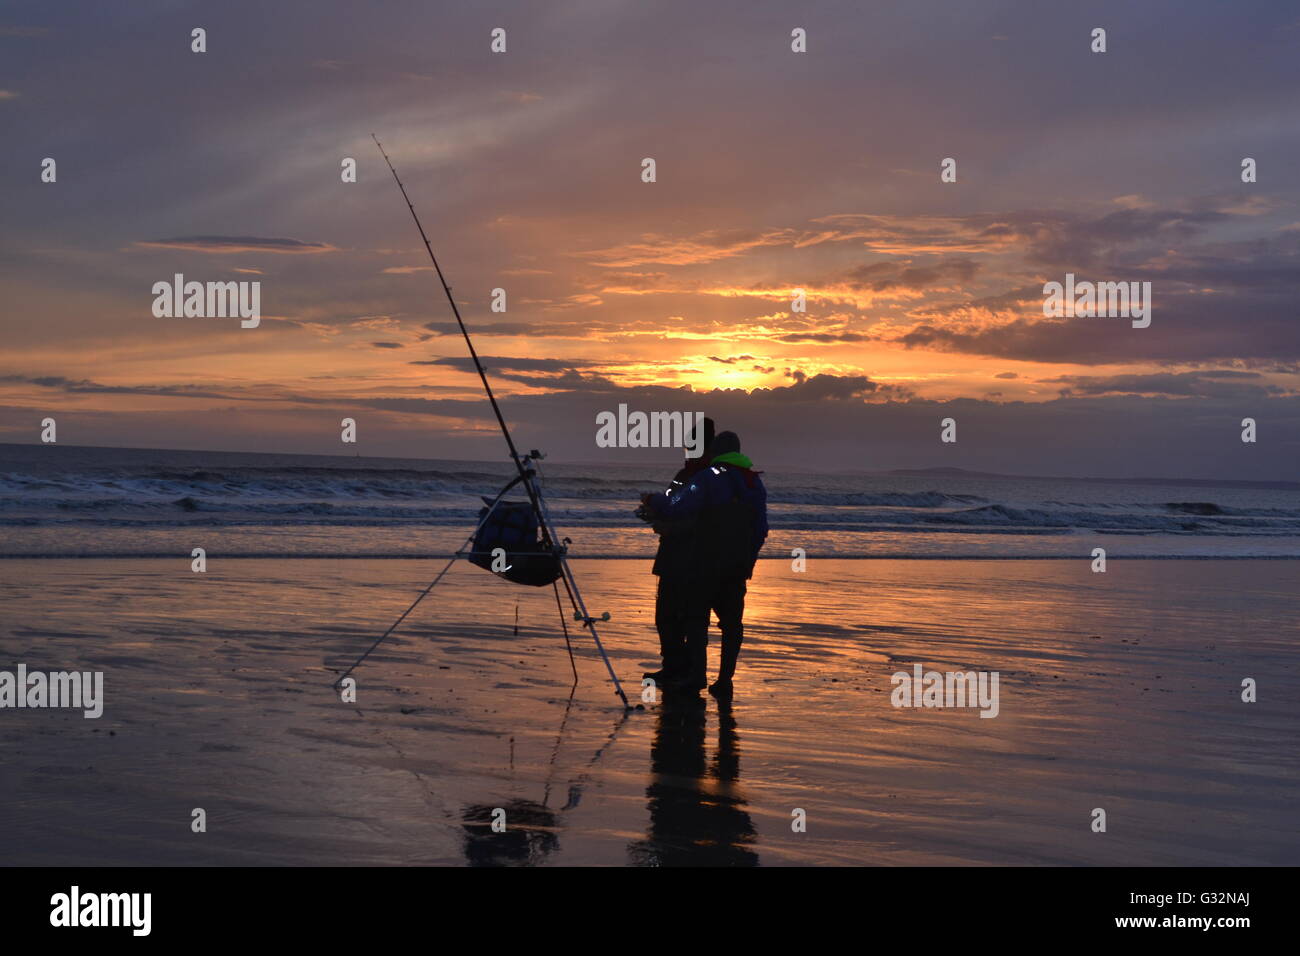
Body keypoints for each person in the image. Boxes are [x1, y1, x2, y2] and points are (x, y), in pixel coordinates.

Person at [644, 431, 767, 696]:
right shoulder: (754, 483)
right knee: (732, 624)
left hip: (705, 562)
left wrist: (652, 500)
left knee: (696, 619)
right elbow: (761, 530)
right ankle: (725, 680)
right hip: (737, 567)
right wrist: (749, 560)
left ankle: (697, 676)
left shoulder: (709, 478)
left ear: (715, 451)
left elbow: (677, 504)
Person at [640, 418, 714, 683]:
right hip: (682, 556)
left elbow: (698, 518)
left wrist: (664, 522)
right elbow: (673, 505)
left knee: (675, 616)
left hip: (686, 557)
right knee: (675, 617)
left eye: (690, 444)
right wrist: (656, 514)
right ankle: (679, 668)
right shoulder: (692, 475)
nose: (686, 448)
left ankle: (683, 671)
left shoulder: (701, 477)